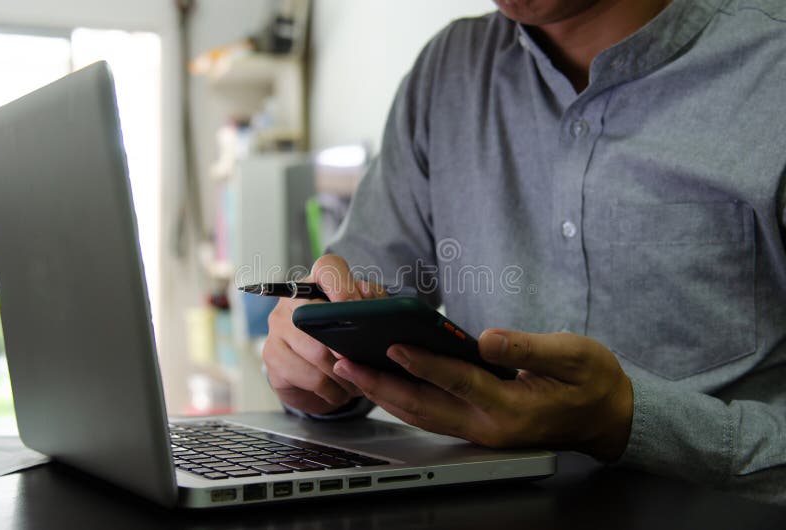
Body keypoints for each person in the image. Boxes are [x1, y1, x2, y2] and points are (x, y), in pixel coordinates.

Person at [262, 0, 786, 504]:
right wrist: (311, 367)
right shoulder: (449, 71)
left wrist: (625, 422)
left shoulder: (772, 66)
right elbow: (347, 313)